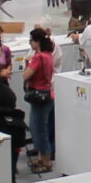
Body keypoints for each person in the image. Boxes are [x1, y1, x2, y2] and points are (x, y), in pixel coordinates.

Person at [23, 28, 57, 174]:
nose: (30, 43)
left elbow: (26, 75)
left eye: (31, 40)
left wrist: (27, 64)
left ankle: (46, 161)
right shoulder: (49, 55)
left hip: (39, 95)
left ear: (37, 42)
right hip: (48, 93)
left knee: (38, 130)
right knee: (41, 128)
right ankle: (42, 158)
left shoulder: (38, 58)